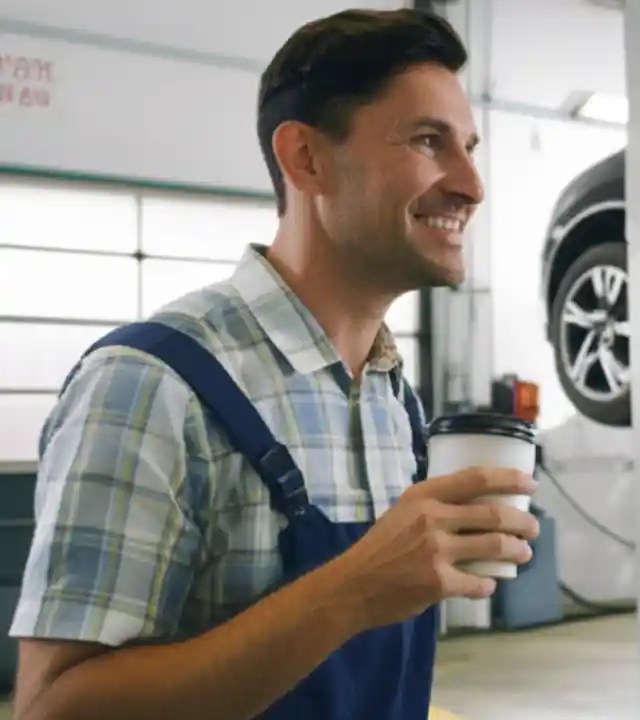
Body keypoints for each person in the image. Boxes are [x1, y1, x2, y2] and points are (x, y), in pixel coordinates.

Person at [8, 9, 540, 720]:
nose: (472, 185)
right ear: (305, 159)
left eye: (469, 147)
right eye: (427, 141)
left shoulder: (393, 403)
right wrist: (349, 591)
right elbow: (54, 709)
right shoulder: (150, 386)